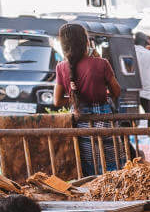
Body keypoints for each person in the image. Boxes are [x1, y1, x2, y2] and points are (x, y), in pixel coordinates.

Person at [52, 21, 123, 176]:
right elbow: (117, 92)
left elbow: (57, 101)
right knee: (112, 165)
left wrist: (76, 98)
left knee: (87, 166)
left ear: (64, 46)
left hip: (79, 122)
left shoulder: (61, 67)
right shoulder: (101, 63)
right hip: (104, 120)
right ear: (86, 42)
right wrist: (103, 95)